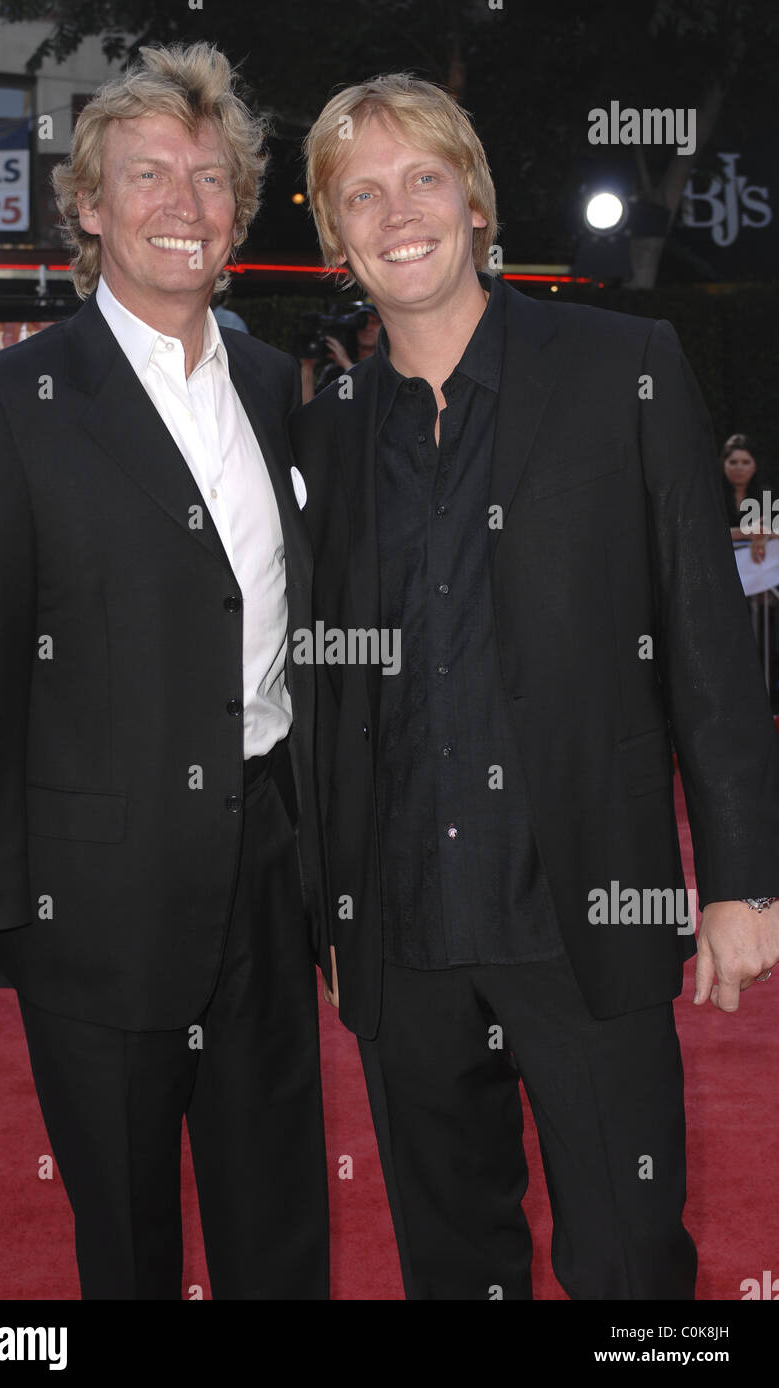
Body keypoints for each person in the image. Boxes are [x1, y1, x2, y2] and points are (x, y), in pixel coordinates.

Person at [291, 73, 779, 1301]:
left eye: (422, 178)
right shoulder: (330, 431)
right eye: (362, 193)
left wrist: (738, 882)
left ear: (474, 201)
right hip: (403, 939)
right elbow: (321, 690)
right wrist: (329, 909)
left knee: (629, 1270)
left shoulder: (626, 365)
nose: (396, 211)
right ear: (333, 233)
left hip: (586, 919)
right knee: (454, 1271)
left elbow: (708, 648)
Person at [0, 42, 329, 1301]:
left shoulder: (274, 384)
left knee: (280, 1216)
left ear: (238, 210)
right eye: (145, 175)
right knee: (130, 1236)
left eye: (207, 179)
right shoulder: (0, 408)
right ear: (86, 206)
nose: (180, 204)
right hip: (90, 892)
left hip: (266, 863)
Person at [722, 432, 770, 563]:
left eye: (745, 462)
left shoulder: (766, 494)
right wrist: (745, 532)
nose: (739, 468)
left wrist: (765, 536)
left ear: (754, 465)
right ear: (724, 465)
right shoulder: (713, 496)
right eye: (733, 462)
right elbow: (705, 532)